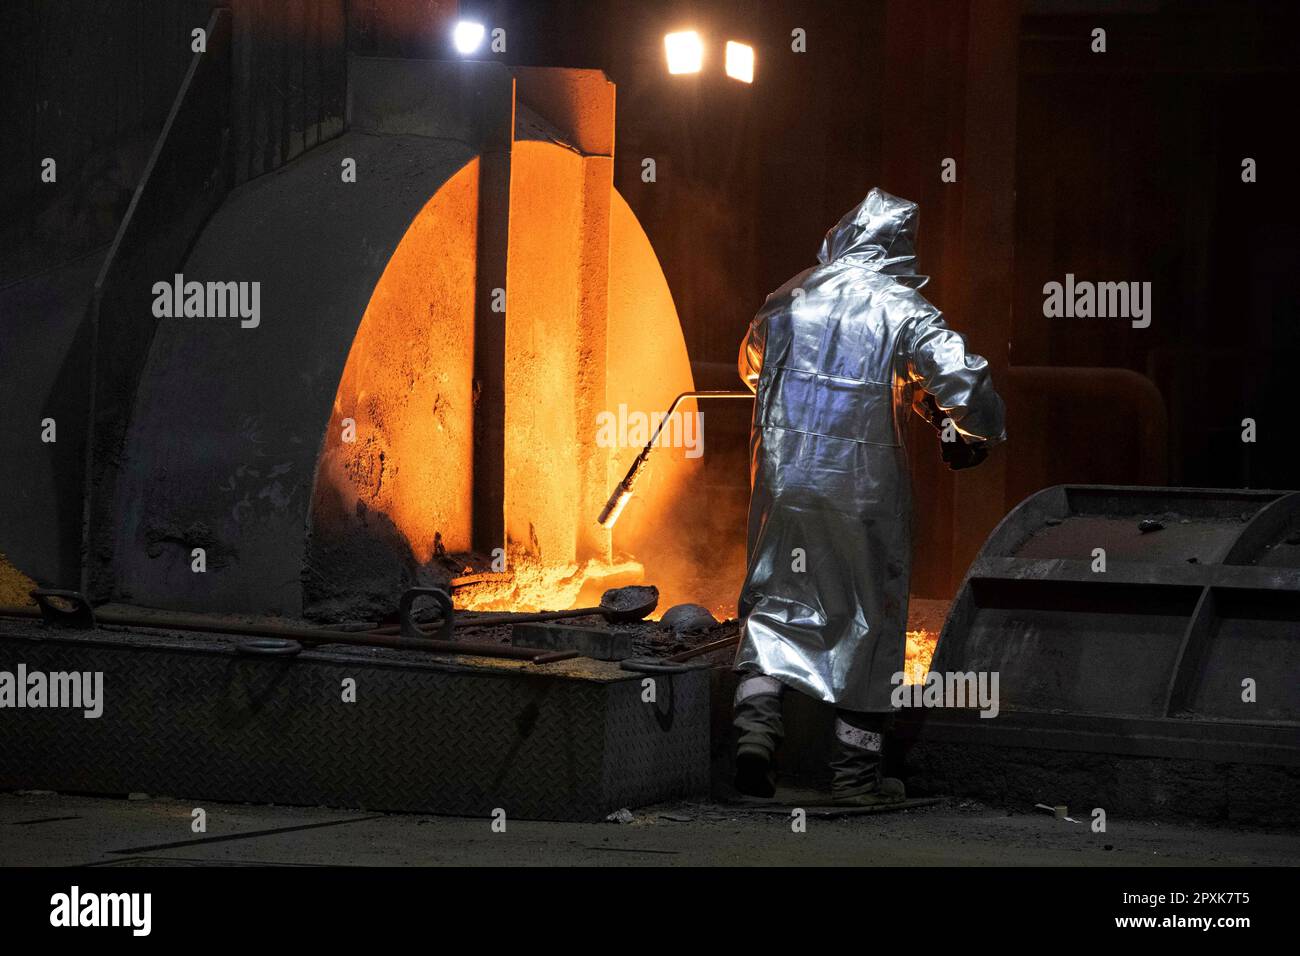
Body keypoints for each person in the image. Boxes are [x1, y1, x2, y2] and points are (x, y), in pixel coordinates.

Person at [732, 187, 1006, 805]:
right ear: (898, 251)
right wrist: (974, 431)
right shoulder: (902, 308)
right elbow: (965, 380)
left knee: (774, 603)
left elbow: (753, 370)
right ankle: (855, 778)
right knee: (870, 620)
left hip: (782, 485)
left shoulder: (787, 298)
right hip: (860, 493)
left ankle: (754, 737)